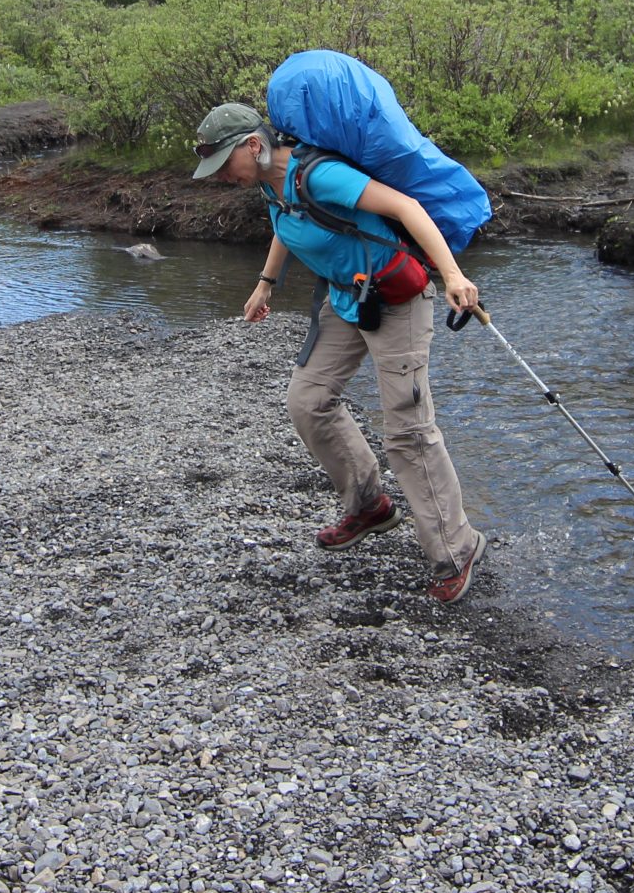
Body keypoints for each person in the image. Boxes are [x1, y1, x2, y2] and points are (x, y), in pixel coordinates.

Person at [191, 100, 488, 602]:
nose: (221, 177)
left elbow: (405, 208)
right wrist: (266, 282)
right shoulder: (268, 181)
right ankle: (369, 505)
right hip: (345, 296)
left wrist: (454, 275)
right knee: (307, 402)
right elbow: (288, 224)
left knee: (408, 429)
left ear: (253, 146)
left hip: (396, 299)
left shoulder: (322, 175)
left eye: (224, 165)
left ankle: (457, 549)